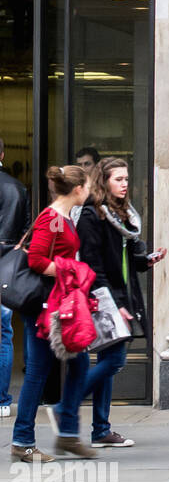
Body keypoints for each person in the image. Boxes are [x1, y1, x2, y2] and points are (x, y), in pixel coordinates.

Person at [60, 158, 165, 449]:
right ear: (104, 180)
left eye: (127, 179)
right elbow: (93, 265)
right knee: (116, 359)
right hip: (102, 296)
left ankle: (100, 430)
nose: (125, 184)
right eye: (119, 179)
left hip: (120, 294)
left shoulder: (121, 213)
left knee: (108, 360)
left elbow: (127, 258)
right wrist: (114, 302)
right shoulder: (94, 215)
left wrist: (147, 260)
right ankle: (66, 407)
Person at [11, 165, 92, 462]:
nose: (90, 191)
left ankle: (67, 434)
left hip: (58, 303)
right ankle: (23, 441)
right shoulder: (52, 219)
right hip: (44, 306)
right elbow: (35, 260)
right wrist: (71, 270)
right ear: (77, 189)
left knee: (79, 364)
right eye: (88, 185)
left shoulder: (63, 217)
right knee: (38, 371)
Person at [0, 136, 30, 420]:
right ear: (3, 153)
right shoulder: (17, 188)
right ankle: (1, 401)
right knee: (4, 335)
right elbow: (26, 233)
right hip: (6, 267)